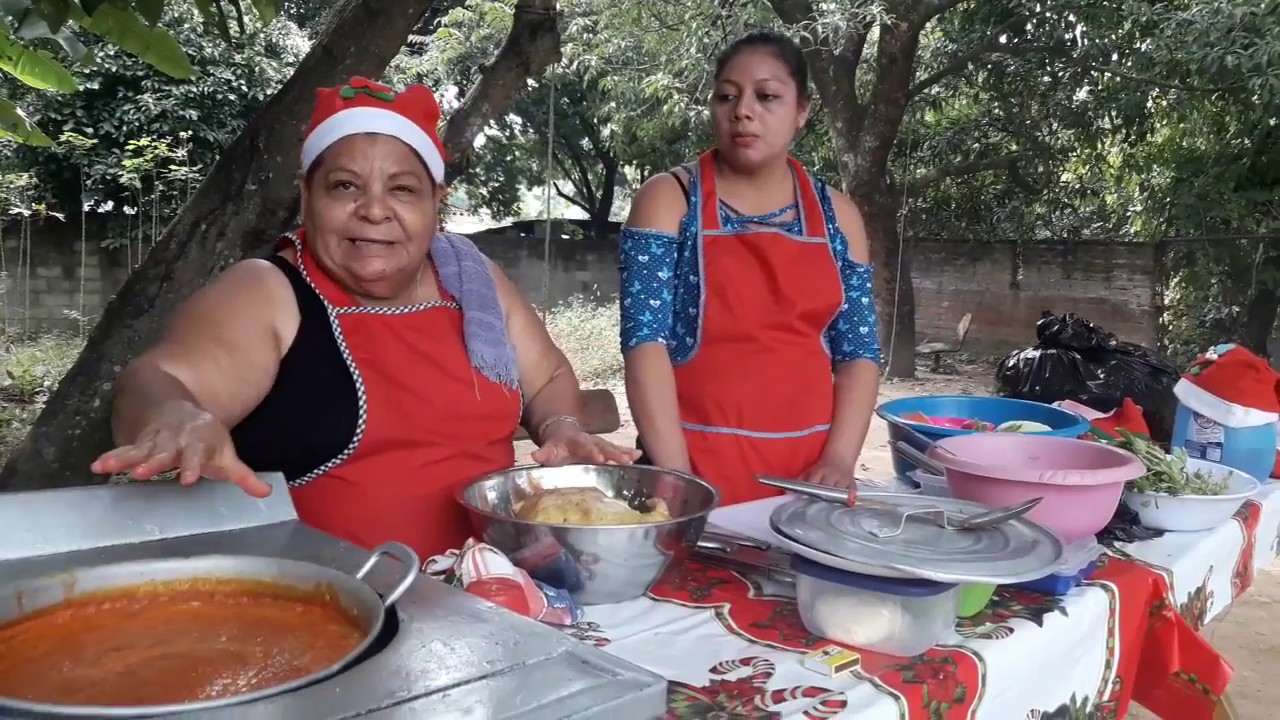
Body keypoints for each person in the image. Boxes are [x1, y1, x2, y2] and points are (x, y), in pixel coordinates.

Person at [91, 77, 639, 559]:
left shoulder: (474, 281)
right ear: (307, 194)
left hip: (491, 588)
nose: (374, 210)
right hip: (325, 607)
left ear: (436, 201)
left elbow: (544, 376)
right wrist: (176, 416)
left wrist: (562, 426)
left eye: (402, 189)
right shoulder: (268, 291)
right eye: (346, 186)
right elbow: (159, 379)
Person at [620, 30, 881, 506]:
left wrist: (840, 460)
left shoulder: (838, 216)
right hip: (691, 465)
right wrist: (677, 478)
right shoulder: (668, 199)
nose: (743, 110)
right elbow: (644, 342)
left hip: (808, 477)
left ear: (802, 111)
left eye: (767, 96)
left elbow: (858, 352)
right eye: (726, 96)